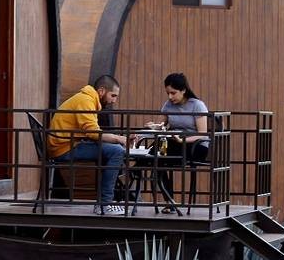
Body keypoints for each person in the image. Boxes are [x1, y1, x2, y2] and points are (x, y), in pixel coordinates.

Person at [47, 75, 131, 215]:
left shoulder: (87, 99)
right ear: (102, 91)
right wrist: (119, 139)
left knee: (111, 151)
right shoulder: (86, 101)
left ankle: (103, 202)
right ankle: (105, 205)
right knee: (116, 151)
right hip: (64, 148)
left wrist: (117, 139)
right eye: (113, 95)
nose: (113, 101)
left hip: (68, 143)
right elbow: (93, 133)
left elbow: (92, 133)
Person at [144, 72, 211, 209]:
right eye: (168, 93)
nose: (170, 97)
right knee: (158, 157)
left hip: (195, 145)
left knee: (158, 158)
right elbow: (163, 125)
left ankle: (141, 164)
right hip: (174, 143)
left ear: (183, 90)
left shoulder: (197, 105)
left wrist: (182, 140)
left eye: (173, 93)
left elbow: (202, 134)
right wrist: (155, 126)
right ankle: (170, 201)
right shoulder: (168, 105)